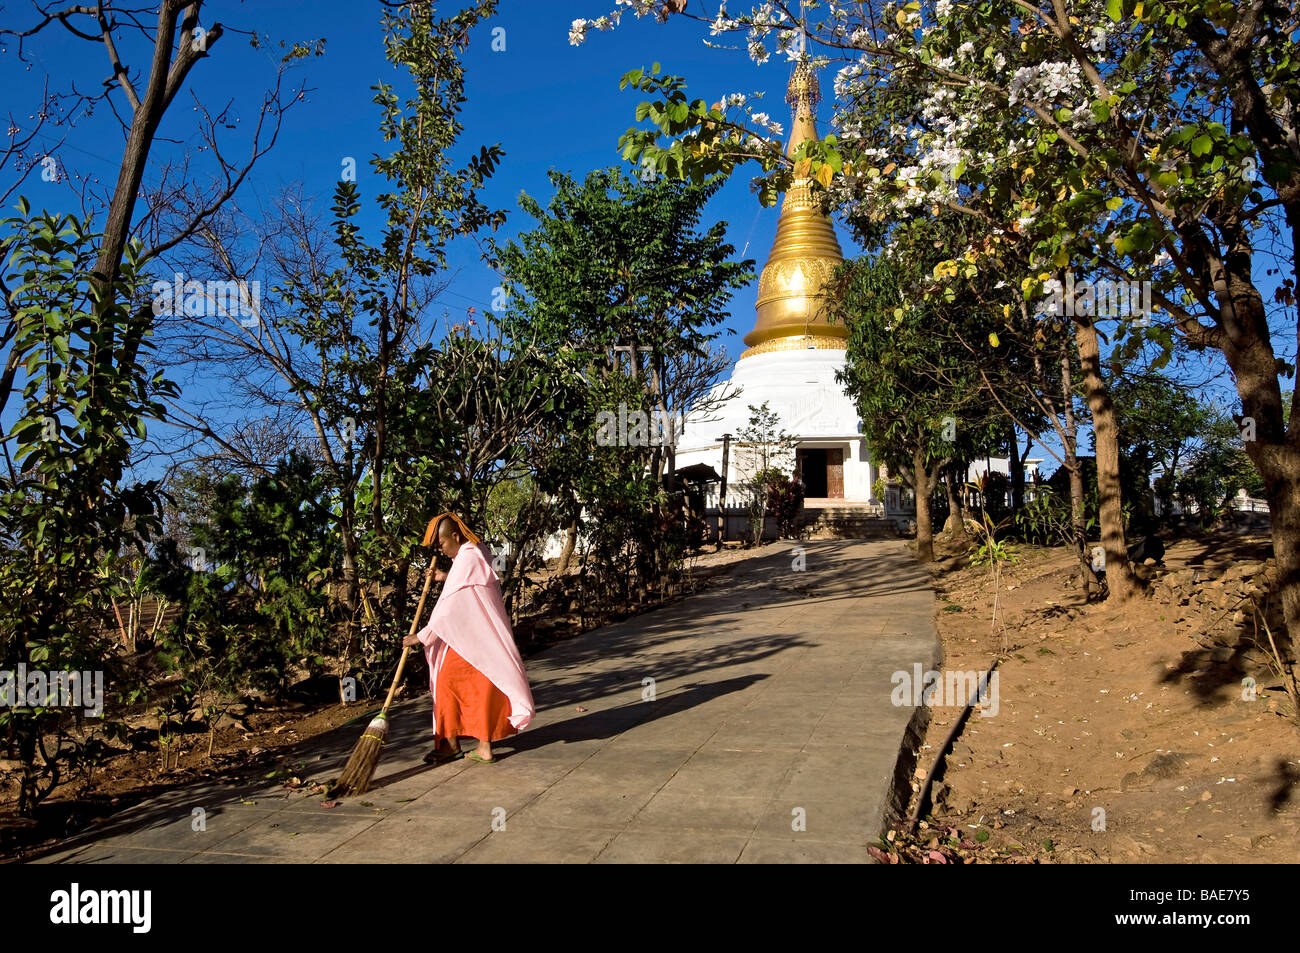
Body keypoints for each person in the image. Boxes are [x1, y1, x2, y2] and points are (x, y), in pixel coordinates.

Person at [403, 513, 535, 764]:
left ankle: (456, 745)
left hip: (471, 638)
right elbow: (463, 584)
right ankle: (471, 745)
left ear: (455, 536)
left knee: (448, 681)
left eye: (441, 544)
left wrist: (421, 636)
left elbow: (449, 607)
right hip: (475, 637)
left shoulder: (467, 557)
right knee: (479, 683)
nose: (441, 550)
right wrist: (444, 576)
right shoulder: (475, 552)